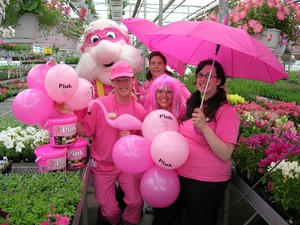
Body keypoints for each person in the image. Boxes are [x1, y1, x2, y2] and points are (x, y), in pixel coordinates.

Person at [152, 59, 241, 225]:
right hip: (179, 174)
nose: (203, 79)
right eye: (200, 74)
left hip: (206, 181)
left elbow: (225, 153)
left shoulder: (226, 112)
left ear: (219, 80)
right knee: (162, 218)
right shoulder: (193, 105)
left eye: (209, 75)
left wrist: (205, 128)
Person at [74, 61, 147, 225]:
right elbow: (85, 130)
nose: (123, 84)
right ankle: (114, 220)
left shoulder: (140, 111)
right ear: (112, 82)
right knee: (108, 209)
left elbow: (144, 144)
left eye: (126, 79)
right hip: (103, 166)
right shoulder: (101, 105)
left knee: (135, 202)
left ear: (133, 80)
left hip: (127, 166)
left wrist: (131, 141)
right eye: (119, 80)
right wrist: (68, 115)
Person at [143, 74, 187, 214]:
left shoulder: (182, 114)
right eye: (160, 91)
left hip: (180, 168)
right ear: (154, 93)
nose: (164, 95)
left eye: (168, 91)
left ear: (174, 94)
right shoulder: (150, 114)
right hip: (155, 171)